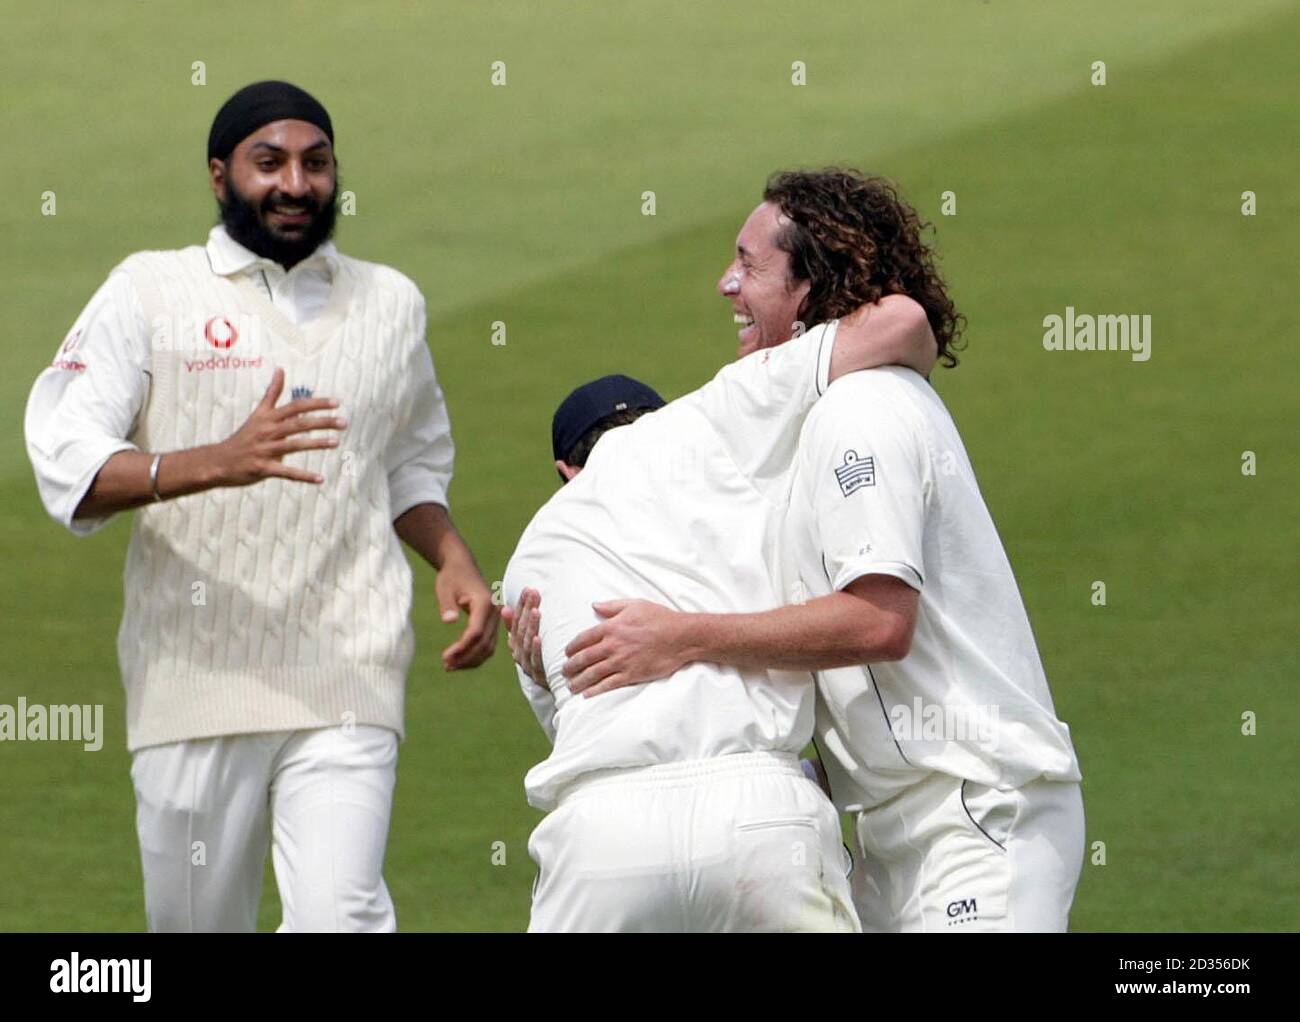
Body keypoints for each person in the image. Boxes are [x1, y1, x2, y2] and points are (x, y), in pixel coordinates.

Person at [552, 170, 1085, 932]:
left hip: (972, 808)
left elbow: (878, 624)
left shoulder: (858, 414)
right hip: (894, 834)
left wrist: (680, 637)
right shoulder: (804, 426)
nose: (725, 283)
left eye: (749, 264)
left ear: (811, 286)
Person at [22, 80, 497, 932]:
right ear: (219, 175)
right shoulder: (148, 292)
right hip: (194, 681)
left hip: (348, 672)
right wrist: (214, 462)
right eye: (268, 162)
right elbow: (70, 463)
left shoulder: (391, 304)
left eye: (316, 164)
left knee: (342, 919)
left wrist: (453, 558)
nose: (295, 184)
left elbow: (407, 463)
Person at [502, 255, 937, 928]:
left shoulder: (533, 550)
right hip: (761, 817)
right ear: (658, 418)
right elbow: (903, 320)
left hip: (600, 837)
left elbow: (575, 718)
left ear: (566, 468)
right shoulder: (713, 427)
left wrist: (537, 666)